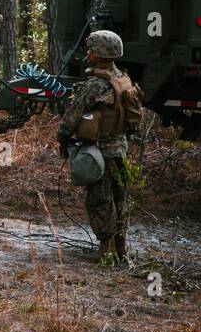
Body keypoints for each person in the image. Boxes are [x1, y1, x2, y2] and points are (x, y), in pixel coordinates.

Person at [57, 30, 143, 263]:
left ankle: (105, 250)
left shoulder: (96, 84)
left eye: (91, 50)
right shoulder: (123, 79)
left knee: (99, 199)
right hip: (120, 148)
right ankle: (121, 248)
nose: (88, 53)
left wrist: (63, 139)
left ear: (99, 54)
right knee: (120, 196)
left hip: (99, 152)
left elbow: (72, 117)